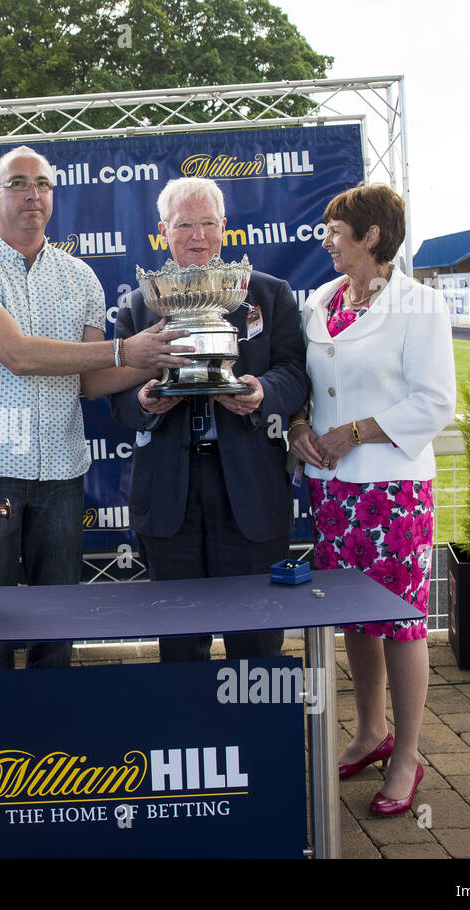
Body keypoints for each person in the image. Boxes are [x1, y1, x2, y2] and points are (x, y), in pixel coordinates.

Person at [0, 145, 189, 672]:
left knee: (58, 623)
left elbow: (93, 382)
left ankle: (48, 716)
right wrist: (126, 349)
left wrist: (163, 357)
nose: (32, 194)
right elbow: (18, 355)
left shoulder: (81, 277)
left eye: (43, 184)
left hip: (61, 471)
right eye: (17, 183)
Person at [288, 183, 455, 816]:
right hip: (332, 488)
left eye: (336, 231)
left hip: (394, 489)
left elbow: (435, 400)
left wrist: (355, 432)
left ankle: (406, 755)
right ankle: (369, 733)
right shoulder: (320, 300)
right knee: (355, 617)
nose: (327, 241)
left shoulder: (420, 305)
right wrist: (299, 426)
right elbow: (307, 385)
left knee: (401, 622)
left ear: (372, 236)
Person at [109, 177, 308, 661]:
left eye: (207, 223)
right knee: (179, 643)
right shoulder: (138, 305)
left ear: (224, 227)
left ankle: (256, 713)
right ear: (163, 231)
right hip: (168, 491)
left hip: (249, 488)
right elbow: (118, 397)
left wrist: (263, 392)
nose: (197, 236)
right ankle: (186, 711)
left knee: (257, 641)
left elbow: (295, 373)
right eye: (184, 225)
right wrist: (145, 402)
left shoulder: (268, 294)